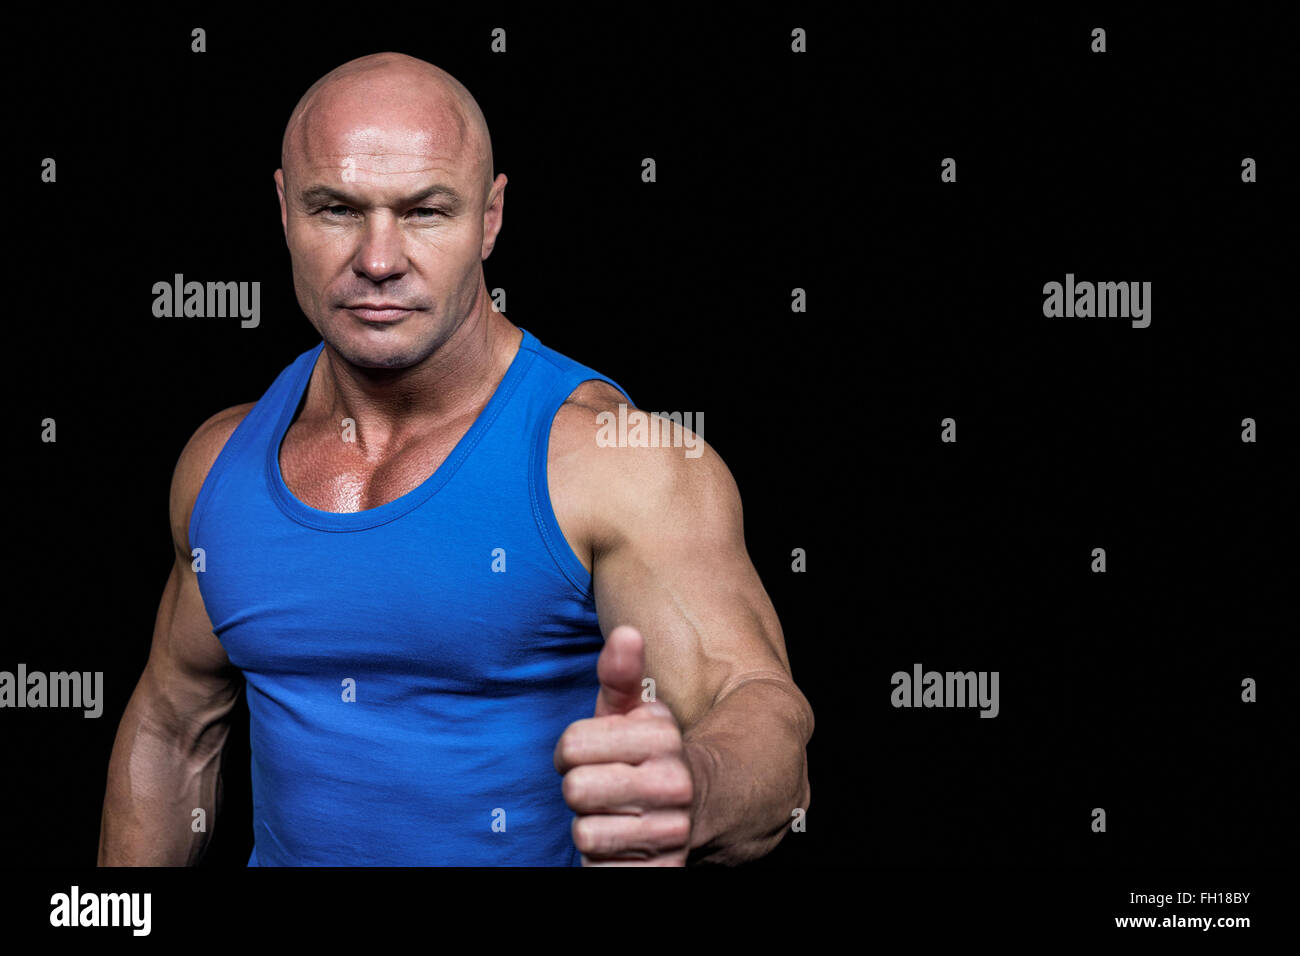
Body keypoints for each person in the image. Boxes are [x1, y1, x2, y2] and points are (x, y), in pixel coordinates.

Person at [97, 52, 813, 866]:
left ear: (491, 217)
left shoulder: (614, 461)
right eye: (335, 209)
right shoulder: (220, 463)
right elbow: (171, 729)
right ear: (283, 210)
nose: (377, 259)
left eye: (426, 212)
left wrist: (693, 785)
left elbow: (761, 715)